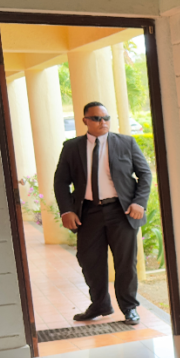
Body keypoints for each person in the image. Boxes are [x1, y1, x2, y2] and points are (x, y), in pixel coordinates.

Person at [53, 101, 152, 325]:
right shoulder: (71, 147)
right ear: (85, 120)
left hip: (121, 211)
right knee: (89, 260)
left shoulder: (126, 142)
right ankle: (99, 304)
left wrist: (139, 202)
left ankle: (129, 308)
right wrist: (67, 210)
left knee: (125, 263)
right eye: (97, 118)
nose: (103, 122)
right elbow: (61, 182)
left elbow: (144, 174)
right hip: (88, 212)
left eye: (106, 118)